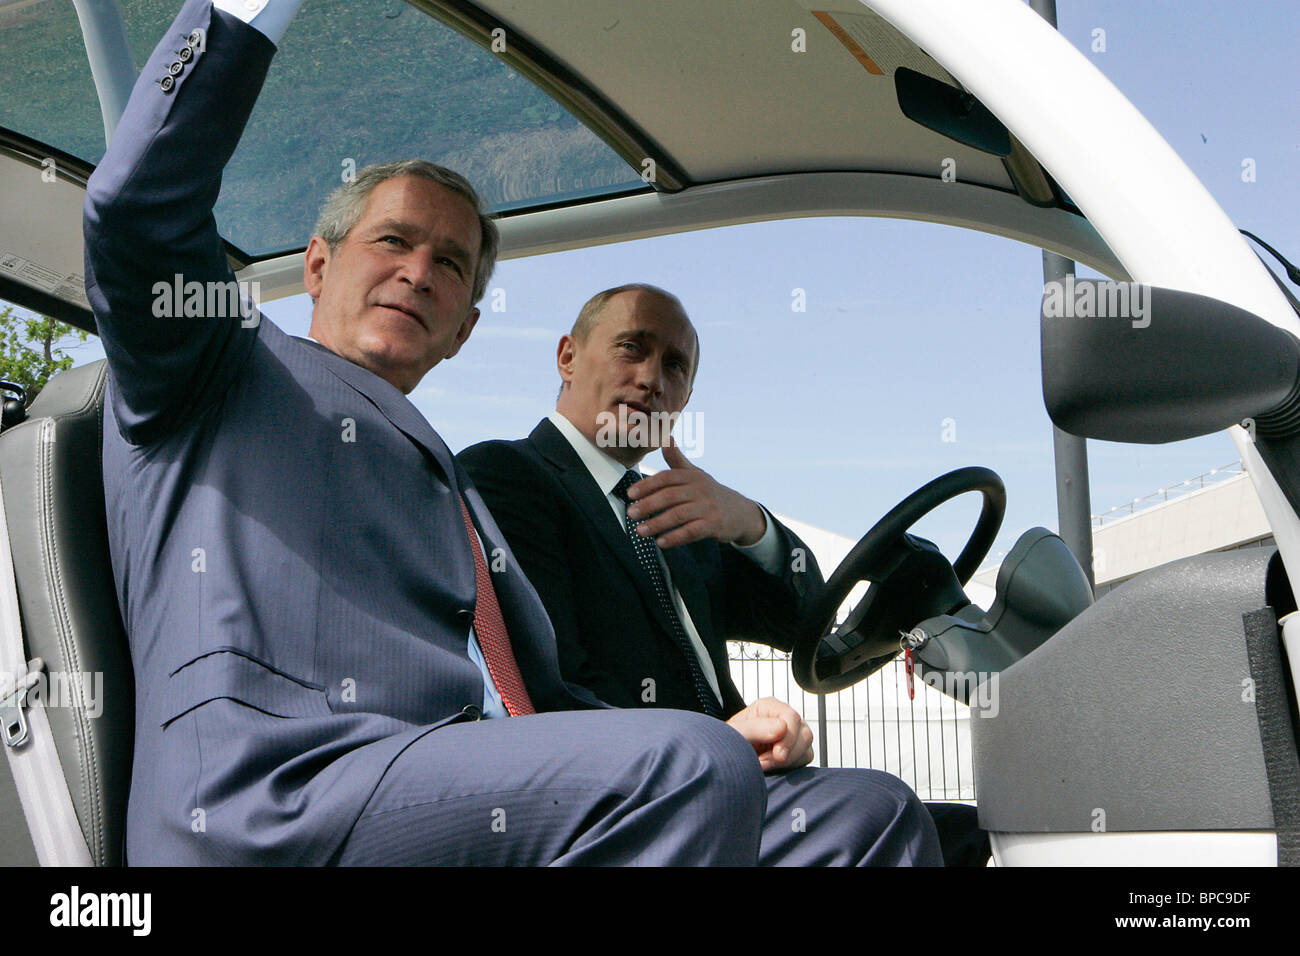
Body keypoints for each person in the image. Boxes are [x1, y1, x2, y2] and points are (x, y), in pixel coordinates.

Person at [87, 0, 941, 865]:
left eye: (451, 265)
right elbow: (136, 214)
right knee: (688, 764)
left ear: (464, 327)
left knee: (866, 810)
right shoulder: (218, 365)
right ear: (317, 264)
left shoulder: (450, 483)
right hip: (281, 794)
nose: (419, 273)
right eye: (393, 241)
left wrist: (730, 737)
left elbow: (542, 704)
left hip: (466, 792)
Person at [458, 284, 991, 865]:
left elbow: (804, 621)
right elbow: (548, 690)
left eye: (675, 366)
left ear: (686, 397)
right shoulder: (510, 475)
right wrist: (717, 744)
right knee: (881, 807)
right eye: (631, 348)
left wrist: (751, 525)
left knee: (971, 831)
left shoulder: (681, 512)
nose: (651, 380)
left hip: (731, 783)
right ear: (567, 356)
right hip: (629, 802)